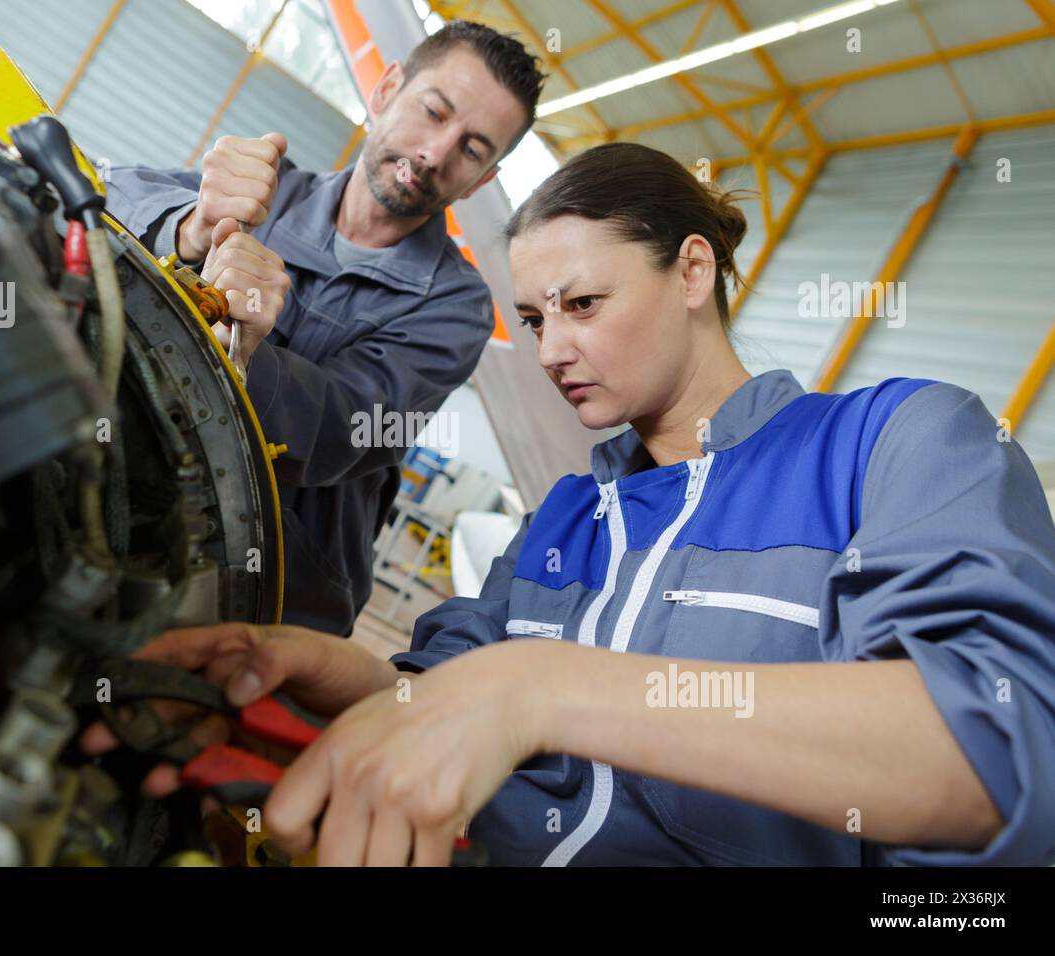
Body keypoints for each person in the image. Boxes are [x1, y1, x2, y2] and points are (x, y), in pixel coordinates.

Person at [84, 141, 1055, 866]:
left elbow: (1005, 756)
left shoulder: (896, 442)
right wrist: (309, 660)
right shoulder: (569, 516)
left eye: (581, 305)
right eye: (536, 318)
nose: (548, 350)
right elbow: (441, 699)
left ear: (690, 271)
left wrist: (537, 685)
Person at [102, 22, 547, 635]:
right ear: (386, 89)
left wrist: (246, 353)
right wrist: (188, 230)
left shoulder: (457, 307)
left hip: (271, 580)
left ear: (485, 178)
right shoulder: (269, 192)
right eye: (433, 111)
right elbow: (103, 192)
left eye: (472, 149)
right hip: (126, 494)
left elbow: (353, 429)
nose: (435, 153)